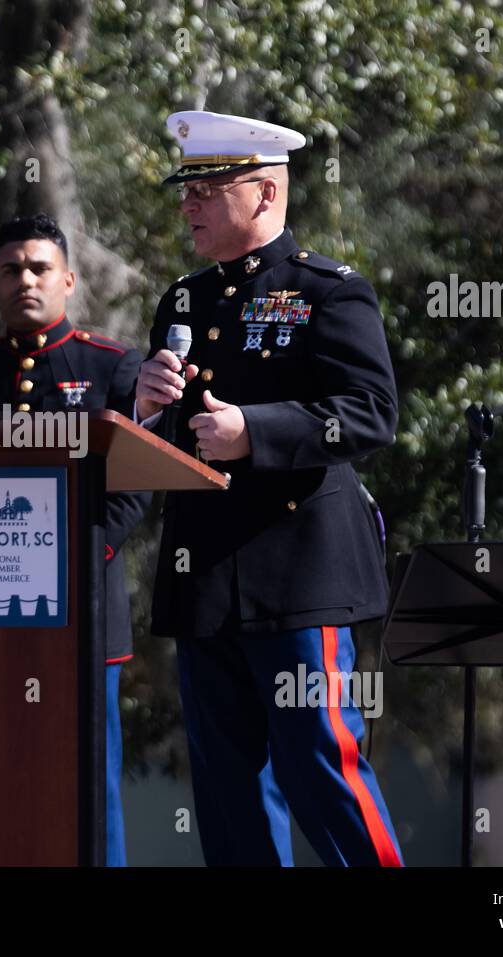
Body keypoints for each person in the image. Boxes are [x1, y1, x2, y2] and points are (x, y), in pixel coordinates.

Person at [134, 110, 403, 866]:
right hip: (205, 578)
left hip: (296, 578)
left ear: (263, 193)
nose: (187, 204)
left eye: (206, 188)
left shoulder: (331, 291)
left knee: (322, 768)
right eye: (185, 189)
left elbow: (371, 414)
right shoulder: (182, 302)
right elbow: (160, 442)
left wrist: (255, 430)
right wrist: (143, 410)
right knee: (229, 794)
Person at [0, 213, 149, 866]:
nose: (24, 279)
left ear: (68, 280)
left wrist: (76, 561)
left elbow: (133, 486)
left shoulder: (109, 367)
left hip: (83, 617)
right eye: (10, 268)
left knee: (87, 781)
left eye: (39, 267)